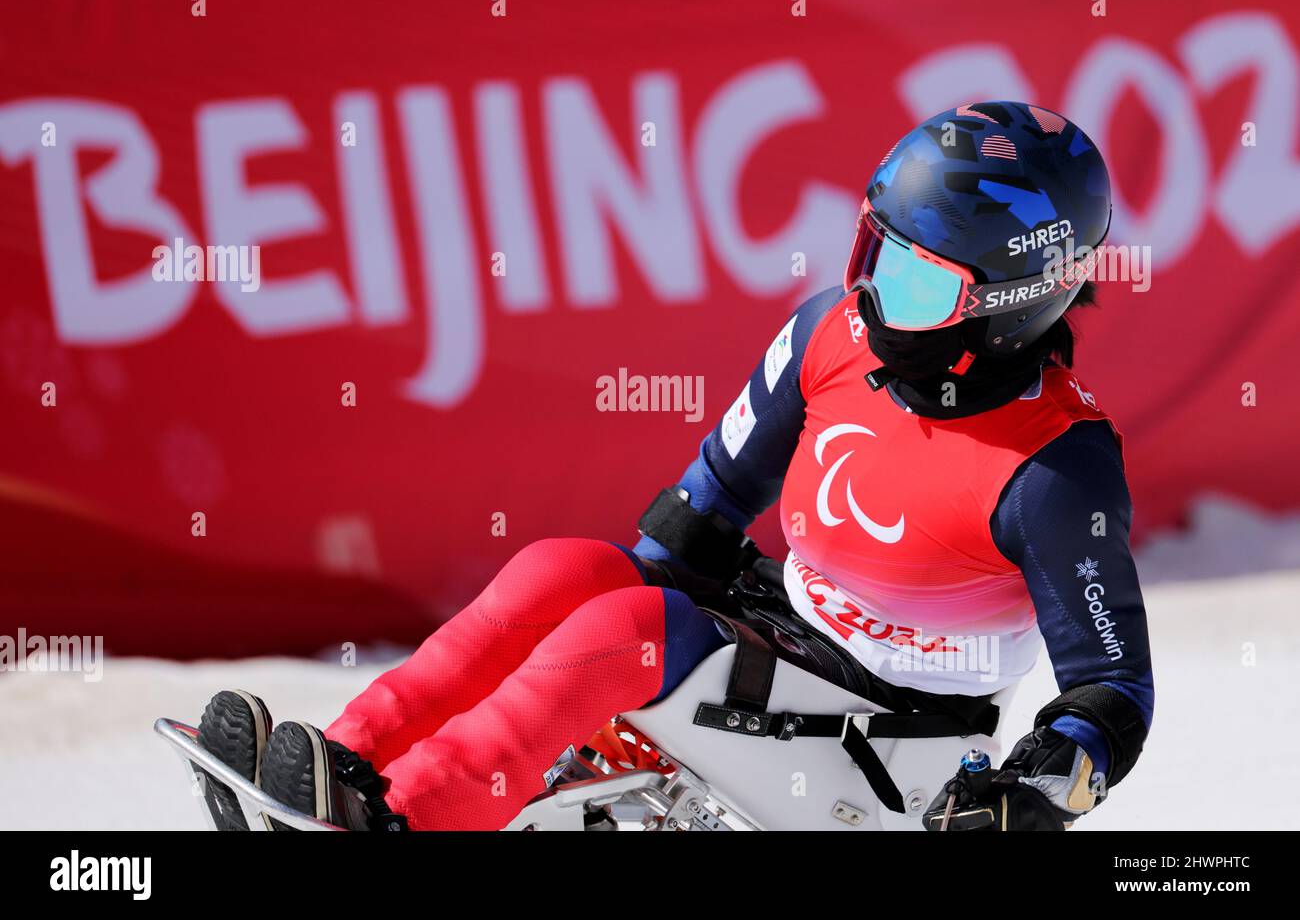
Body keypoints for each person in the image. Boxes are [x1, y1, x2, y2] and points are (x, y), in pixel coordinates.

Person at [198, 101, 1153, 832]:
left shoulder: (1057, 468)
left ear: (1010, 304)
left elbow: (1111, 696)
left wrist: (1030, 796)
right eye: (873, 249)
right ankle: (341, 762)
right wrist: (579, 621)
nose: (871, 295)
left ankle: (409, 813)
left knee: (626, 624)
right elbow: (710, 504)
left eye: (912, 280)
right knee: (562, 569)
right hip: (794, 642)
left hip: (902, 739)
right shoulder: (830, 330)